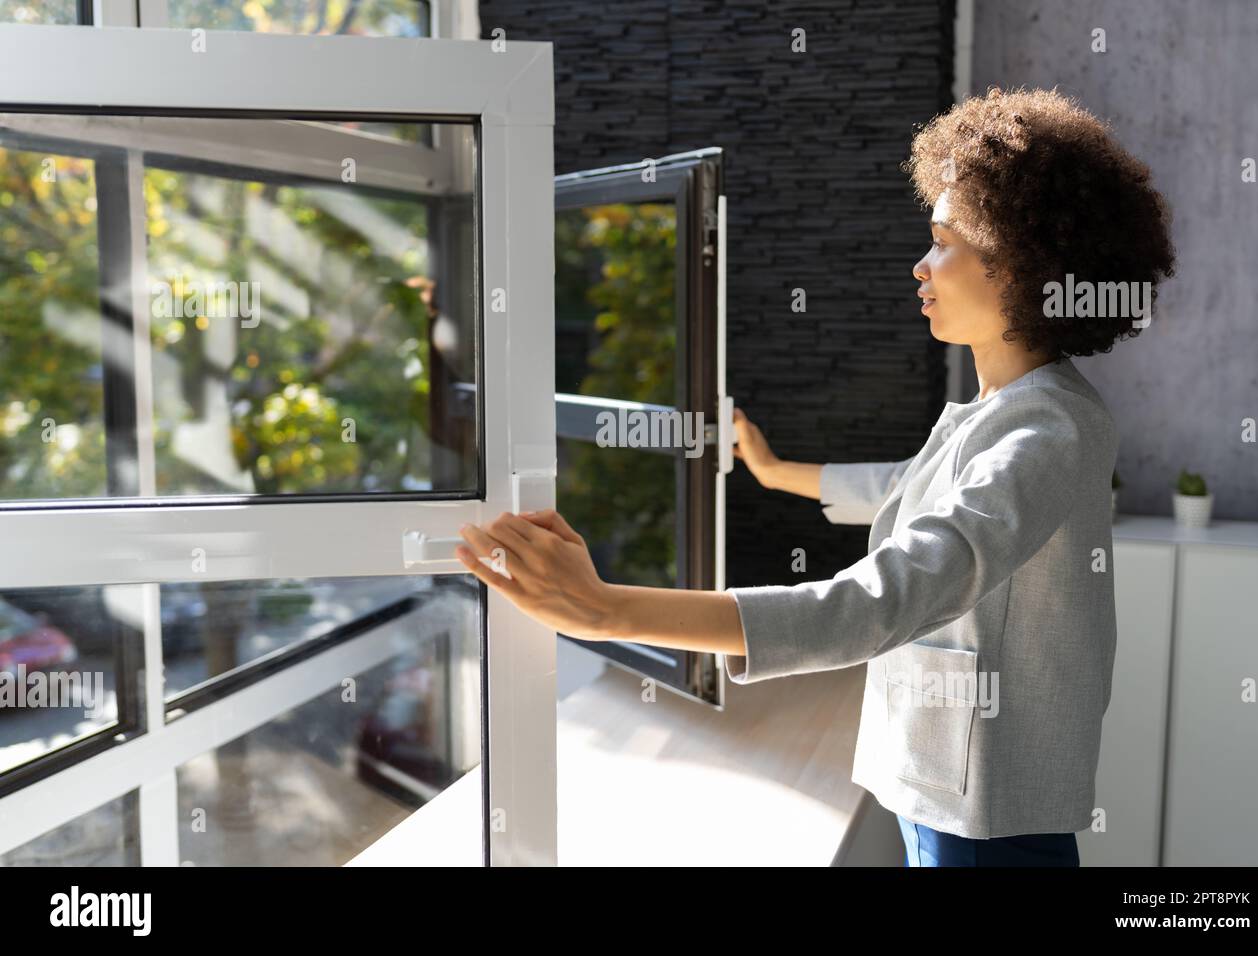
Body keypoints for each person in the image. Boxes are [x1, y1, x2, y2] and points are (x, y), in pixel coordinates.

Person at [455, 87, 1176, 867]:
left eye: (943, 243)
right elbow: (905, 487)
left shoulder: (1050, 428)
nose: (920, 266)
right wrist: (770, 470)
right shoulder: (1005, 408)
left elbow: (885, 595)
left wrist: (605, 610)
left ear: (1016, 268)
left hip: (985, 809)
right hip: (946, 778)